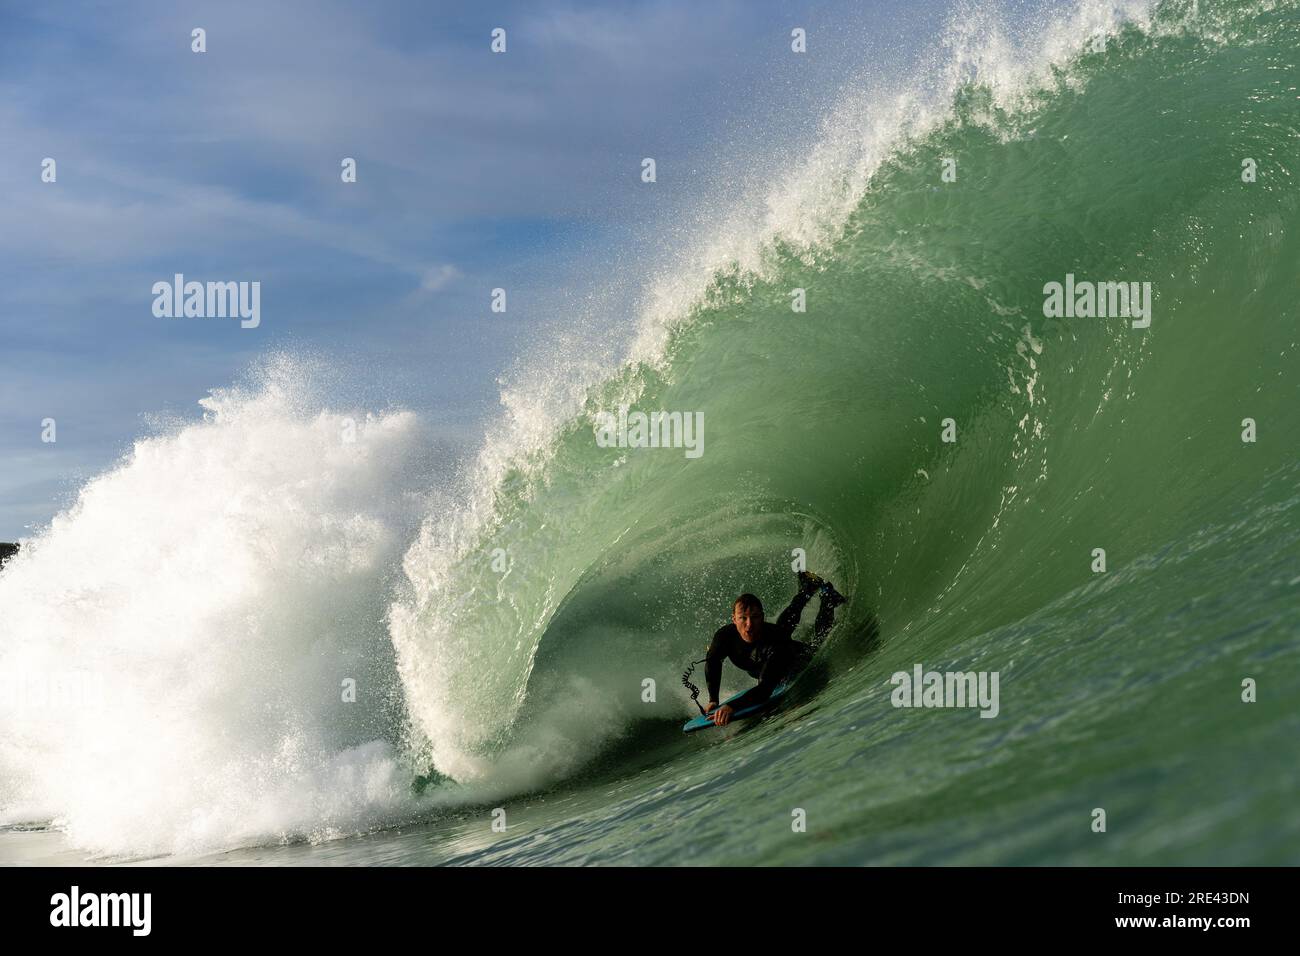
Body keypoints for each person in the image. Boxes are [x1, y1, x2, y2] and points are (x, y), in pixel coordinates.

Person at [705, 571, 845, 726]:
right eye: (743, 618)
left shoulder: (775, 643)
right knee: (784, 625)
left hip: (796, 660)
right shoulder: (724, 636)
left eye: (755, 617)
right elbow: (713, 662)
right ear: (734, 619)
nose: (749, 624)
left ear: (762, 617)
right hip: (763, 662)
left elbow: (765, 690)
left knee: (816, 640)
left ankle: (828, 599)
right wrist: (713, 699)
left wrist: (731, 706)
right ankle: (808, 589)